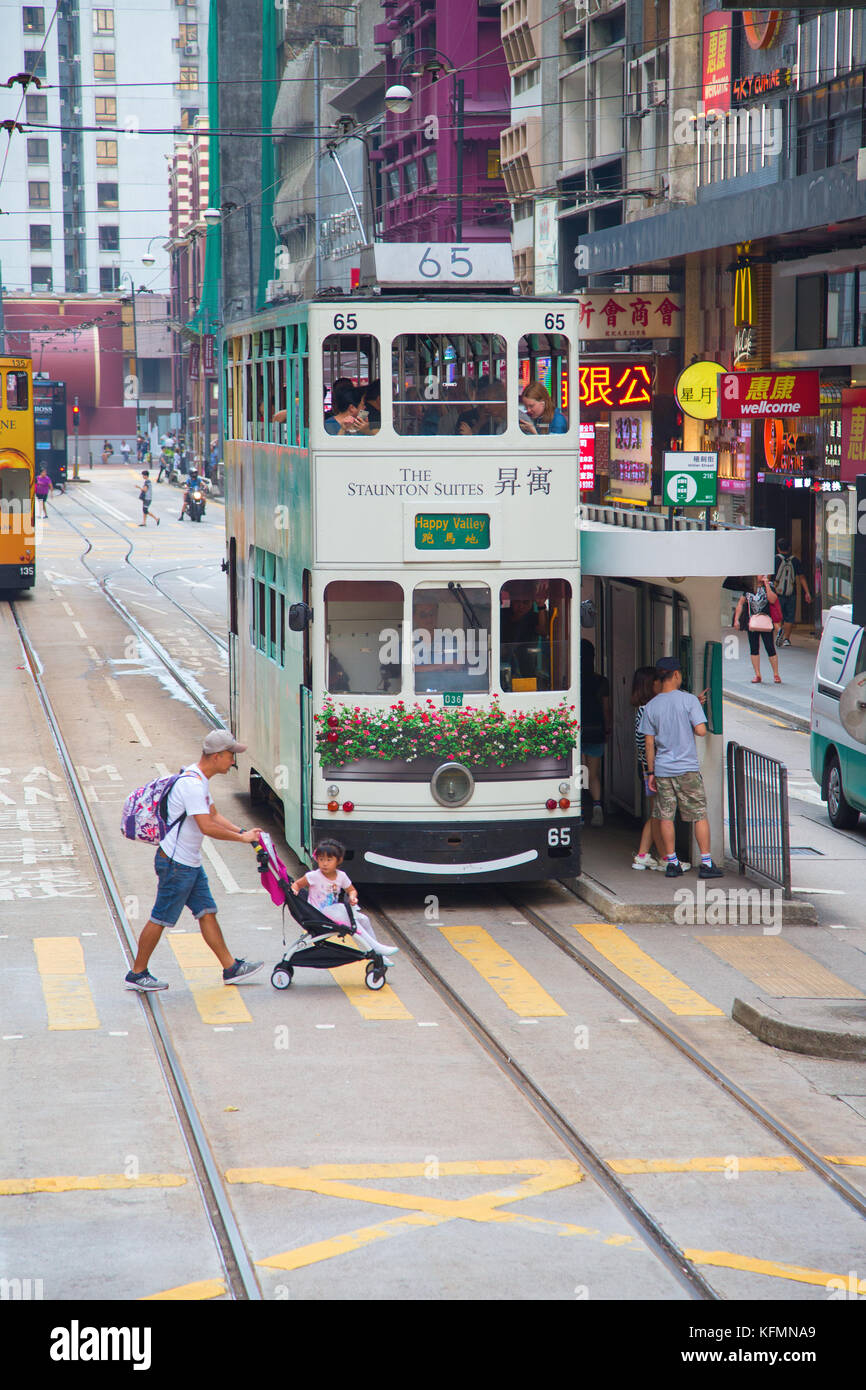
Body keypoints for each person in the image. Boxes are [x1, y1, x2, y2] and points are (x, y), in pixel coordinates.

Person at [124, 731, 265, 991]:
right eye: (231, 755)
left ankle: (230, 967)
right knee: (161, 917)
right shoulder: (192, 785)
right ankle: (137, 972)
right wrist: (242, 840)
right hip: (176, 865)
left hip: (188, 863)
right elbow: (207, 827)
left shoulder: (198, 778)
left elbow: (214, 814)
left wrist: (242, 831)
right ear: (217, 755)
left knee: (206, 912)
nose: (233, 760)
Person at [639, 656, 723, 879]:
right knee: (698, 814)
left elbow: (649, 744)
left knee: (666, 816)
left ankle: (672, 863)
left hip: (663, 770)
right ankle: (706, 863)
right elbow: (702, 731)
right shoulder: (689, 701)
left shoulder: (651, 706)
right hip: (687, 768)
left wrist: (650, 773)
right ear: (676, 675)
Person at [291, 839, 397, 958]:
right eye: (321, 859)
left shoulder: (341, 876)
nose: (324, 863)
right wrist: (294, 890)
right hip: (319, 913)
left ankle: (378, 953)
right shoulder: (313, 876)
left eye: (329, 860)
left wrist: (352, 897)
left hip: (334, 911)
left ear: (339, 860)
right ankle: (376, 948)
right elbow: (297, 884)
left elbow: (351, 890)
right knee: (346, 915)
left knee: (364, 920)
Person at [580, 638, 610, 827]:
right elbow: (606, 708)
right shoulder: (601, 680)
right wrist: (608, 727)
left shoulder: (570, 678)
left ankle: (580, 811)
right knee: (593, 773)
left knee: (578, 772)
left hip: (577, 729)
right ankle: (597, 808)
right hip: (596, 729)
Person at [733, 575, 781, 684]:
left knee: (770, 647)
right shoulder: (749, 588)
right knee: (754, 648)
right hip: (753, 622)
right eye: (759, 574)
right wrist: (736, 619)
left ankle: (776, 674)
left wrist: (767, 585)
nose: (762, 575)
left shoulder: (769, 586)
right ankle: (757, 674)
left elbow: (772, 599)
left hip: (766, 622)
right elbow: (740, 604)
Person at [501, 582, 549, 684]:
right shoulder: (502, 615)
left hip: (527, 670)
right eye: (517, 602)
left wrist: (541, 606)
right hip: (502, 667)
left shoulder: (534, 617)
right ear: (512, 601)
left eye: (526, 602)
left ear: (532, 602)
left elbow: (543, 631)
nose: (521, 606)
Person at [773, 539, 811, 648]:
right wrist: (807, 592)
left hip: (777, 593)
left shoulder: (775, 560)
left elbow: (769, 577)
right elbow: (802, 577)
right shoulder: (795, 561)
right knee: (789, 617)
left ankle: (779, 631)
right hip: (792, 593)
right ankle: (787, 639)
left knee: (777, 616)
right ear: (789, 548)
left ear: (778, 548)